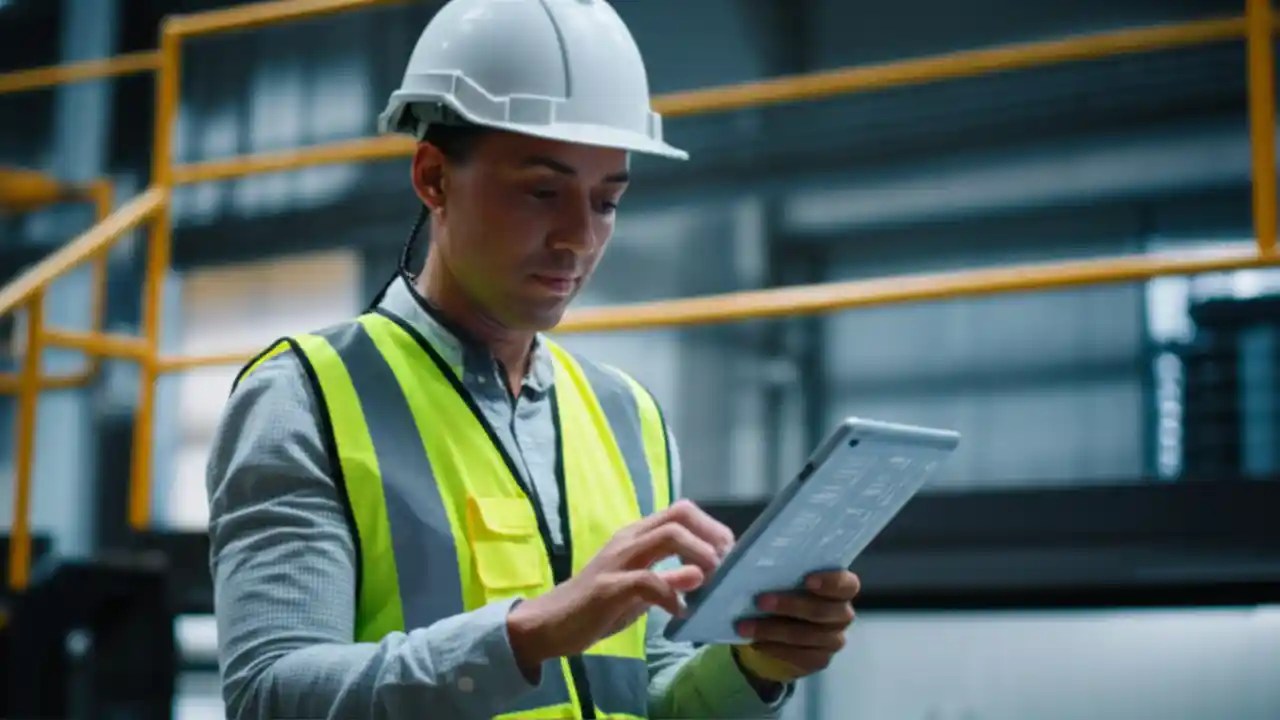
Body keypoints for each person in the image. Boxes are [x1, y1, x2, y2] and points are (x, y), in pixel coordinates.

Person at [205, 1, 861, 718]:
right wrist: (525, 636)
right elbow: (269, 695)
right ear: (434, 178)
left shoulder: (629, 417)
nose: (579, 237)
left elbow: (643, 692)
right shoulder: (306, 398)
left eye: (606, 202)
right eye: (543, 192)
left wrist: (753, 667)